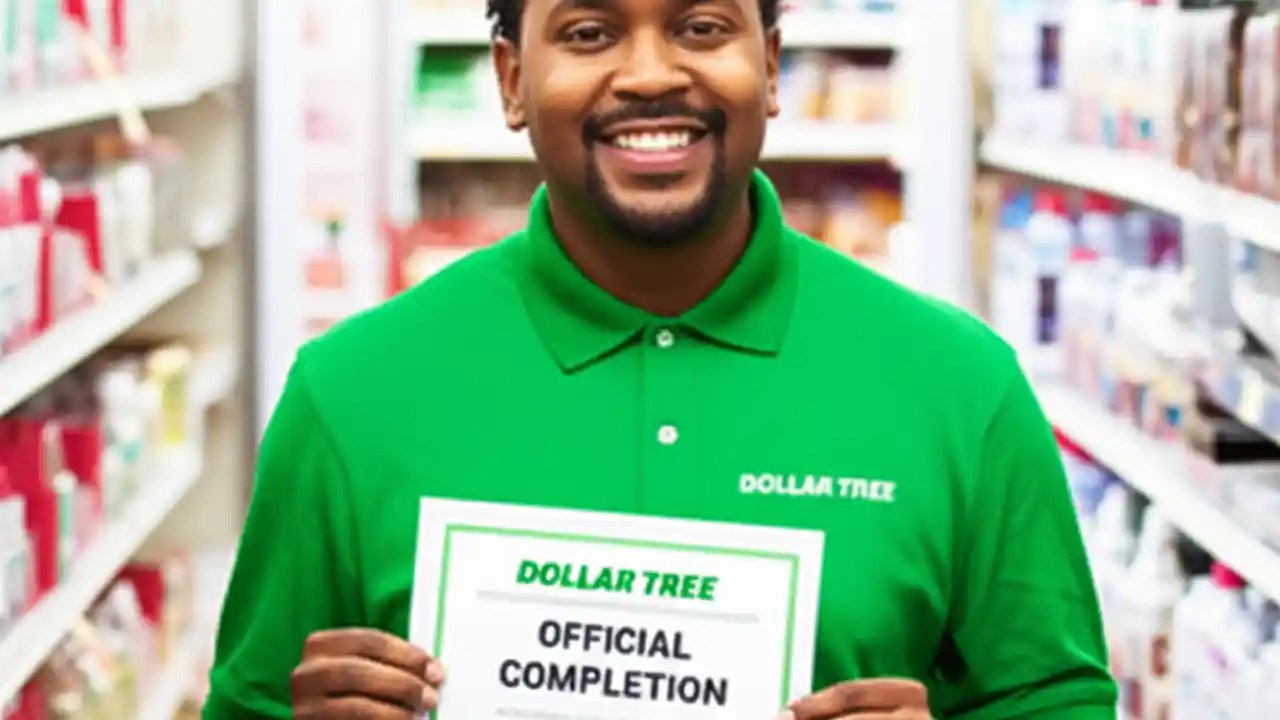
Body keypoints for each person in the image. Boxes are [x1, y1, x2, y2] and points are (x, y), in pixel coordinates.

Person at [203, 0, 1119, 716]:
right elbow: (247, 708)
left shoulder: (961, 387)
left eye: (702, 27)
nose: (649, 74)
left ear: (769, 64)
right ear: (513, 80)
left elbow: (1056, 701)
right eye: (591, 32)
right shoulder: (354, 394)